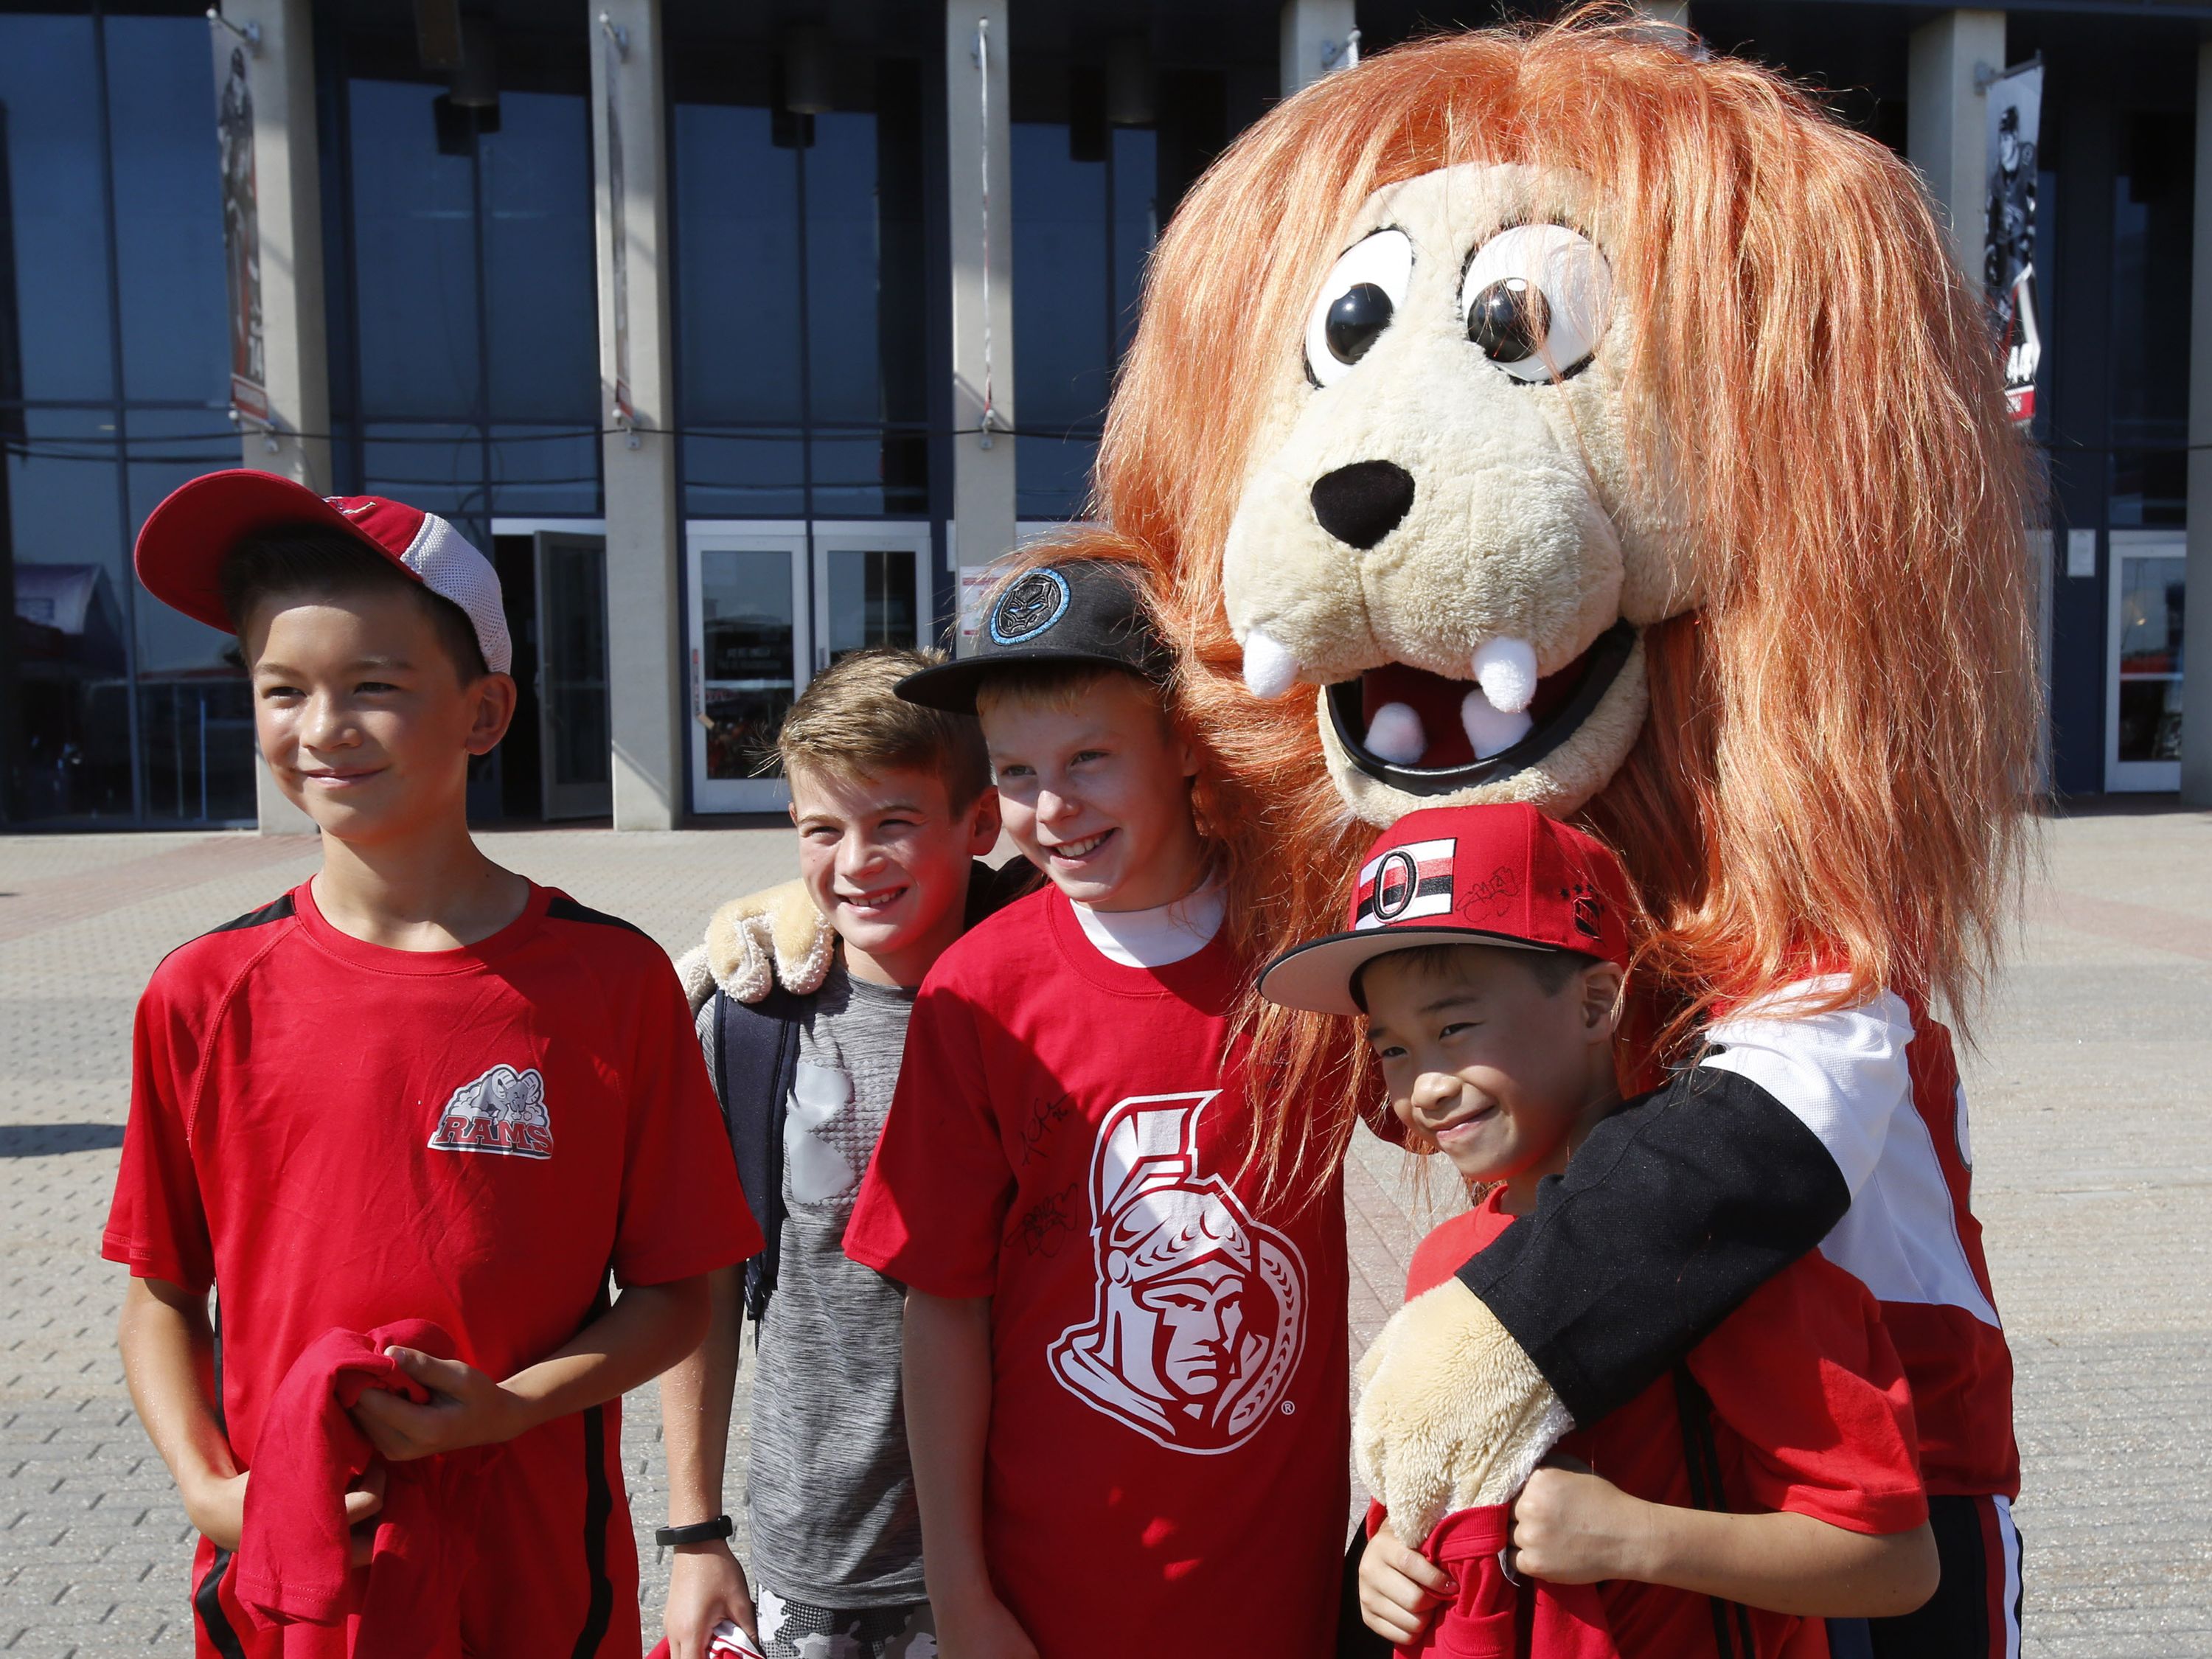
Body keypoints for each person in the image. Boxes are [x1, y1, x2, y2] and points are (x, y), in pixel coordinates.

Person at [102, 470, 758, 1659]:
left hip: (539, 1573)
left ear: (484, 711)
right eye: (282, 689)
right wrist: (208, 1486)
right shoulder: (202, 991)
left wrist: (511, 1407)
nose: (322, 728)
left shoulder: (609, 982)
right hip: (296, 1580)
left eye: (374, 685)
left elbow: (679, 1293)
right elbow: (159, 1294)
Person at [1256, 803, 1939, 1658]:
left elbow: (1895, 1563)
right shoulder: (1445, 1261)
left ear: (1595, 1003)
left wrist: (1636, 1539)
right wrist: (1387, 1559)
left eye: (1454, 1029)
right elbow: (1429, 1494)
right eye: (1392, 1049)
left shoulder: (1720, 1256)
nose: (1423, 1087)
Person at [840, 552, 1357, 1659]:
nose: (1052, 806)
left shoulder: (1308, 947)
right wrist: (959, 1592)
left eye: (1089, 758)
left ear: (1183, 741)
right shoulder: (979, 994)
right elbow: (941, 1309)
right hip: (1051, 1594)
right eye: (1016, 771)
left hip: (1277, 1582)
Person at [658, 646, 1024, 1659]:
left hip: (1021, 1545)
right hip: (816, 1555)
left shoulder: (1040, 1004)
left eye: (895, 822)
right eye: (824, 829)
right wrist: (695, 1534)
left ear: (981, 823)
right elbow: (702, 1284)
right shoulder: (750, 1023)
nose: (857, 860)